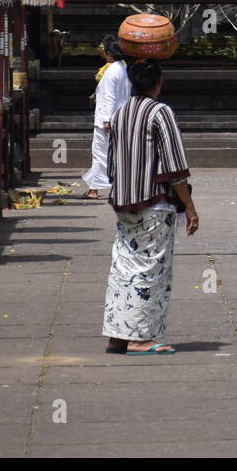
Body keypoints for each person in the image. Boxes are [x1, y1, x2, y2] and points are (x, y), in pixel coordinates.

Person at [103, 59, 198, 356]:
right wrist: (190, 206)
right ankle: (140, 338)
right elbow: (174, 167)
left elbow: (110, 165)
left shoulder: (119, 114)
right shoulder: (160, 112)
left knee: (124, 265)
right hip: (154, 201)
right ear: (159, 81)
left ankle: (118, 335)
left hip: (124, 201)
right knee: (151, 268)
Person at [82, 36, 132, 199]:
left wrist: (106, 120)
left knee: (100, 153)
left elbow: (109, 97)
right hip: (120, 116)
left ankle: (94, 188)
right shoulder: (123, 69)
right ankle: (110, 186)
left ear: (109, 53)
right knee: (113, 154)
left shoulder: (111, 71)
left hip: (108, 118)